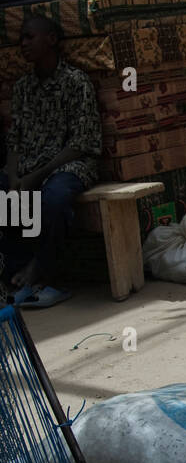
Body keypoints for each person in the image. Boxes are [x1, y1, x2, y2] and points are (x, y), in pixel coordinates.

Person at [0, 16, 101, 308]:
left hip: (68, 165)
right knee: (4, 191)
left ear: (52, 40)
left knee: (52, 199)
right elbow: (15, 139)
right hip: (29, 167)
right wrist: (14, 173)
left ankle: (44, 272)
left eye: (30, 36)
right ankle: (20, 266)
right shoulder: (23, 88)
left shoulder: (75, 82)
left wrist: (32, 178)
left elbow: (81, 144)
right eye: (21, 38)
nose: (24, 43)